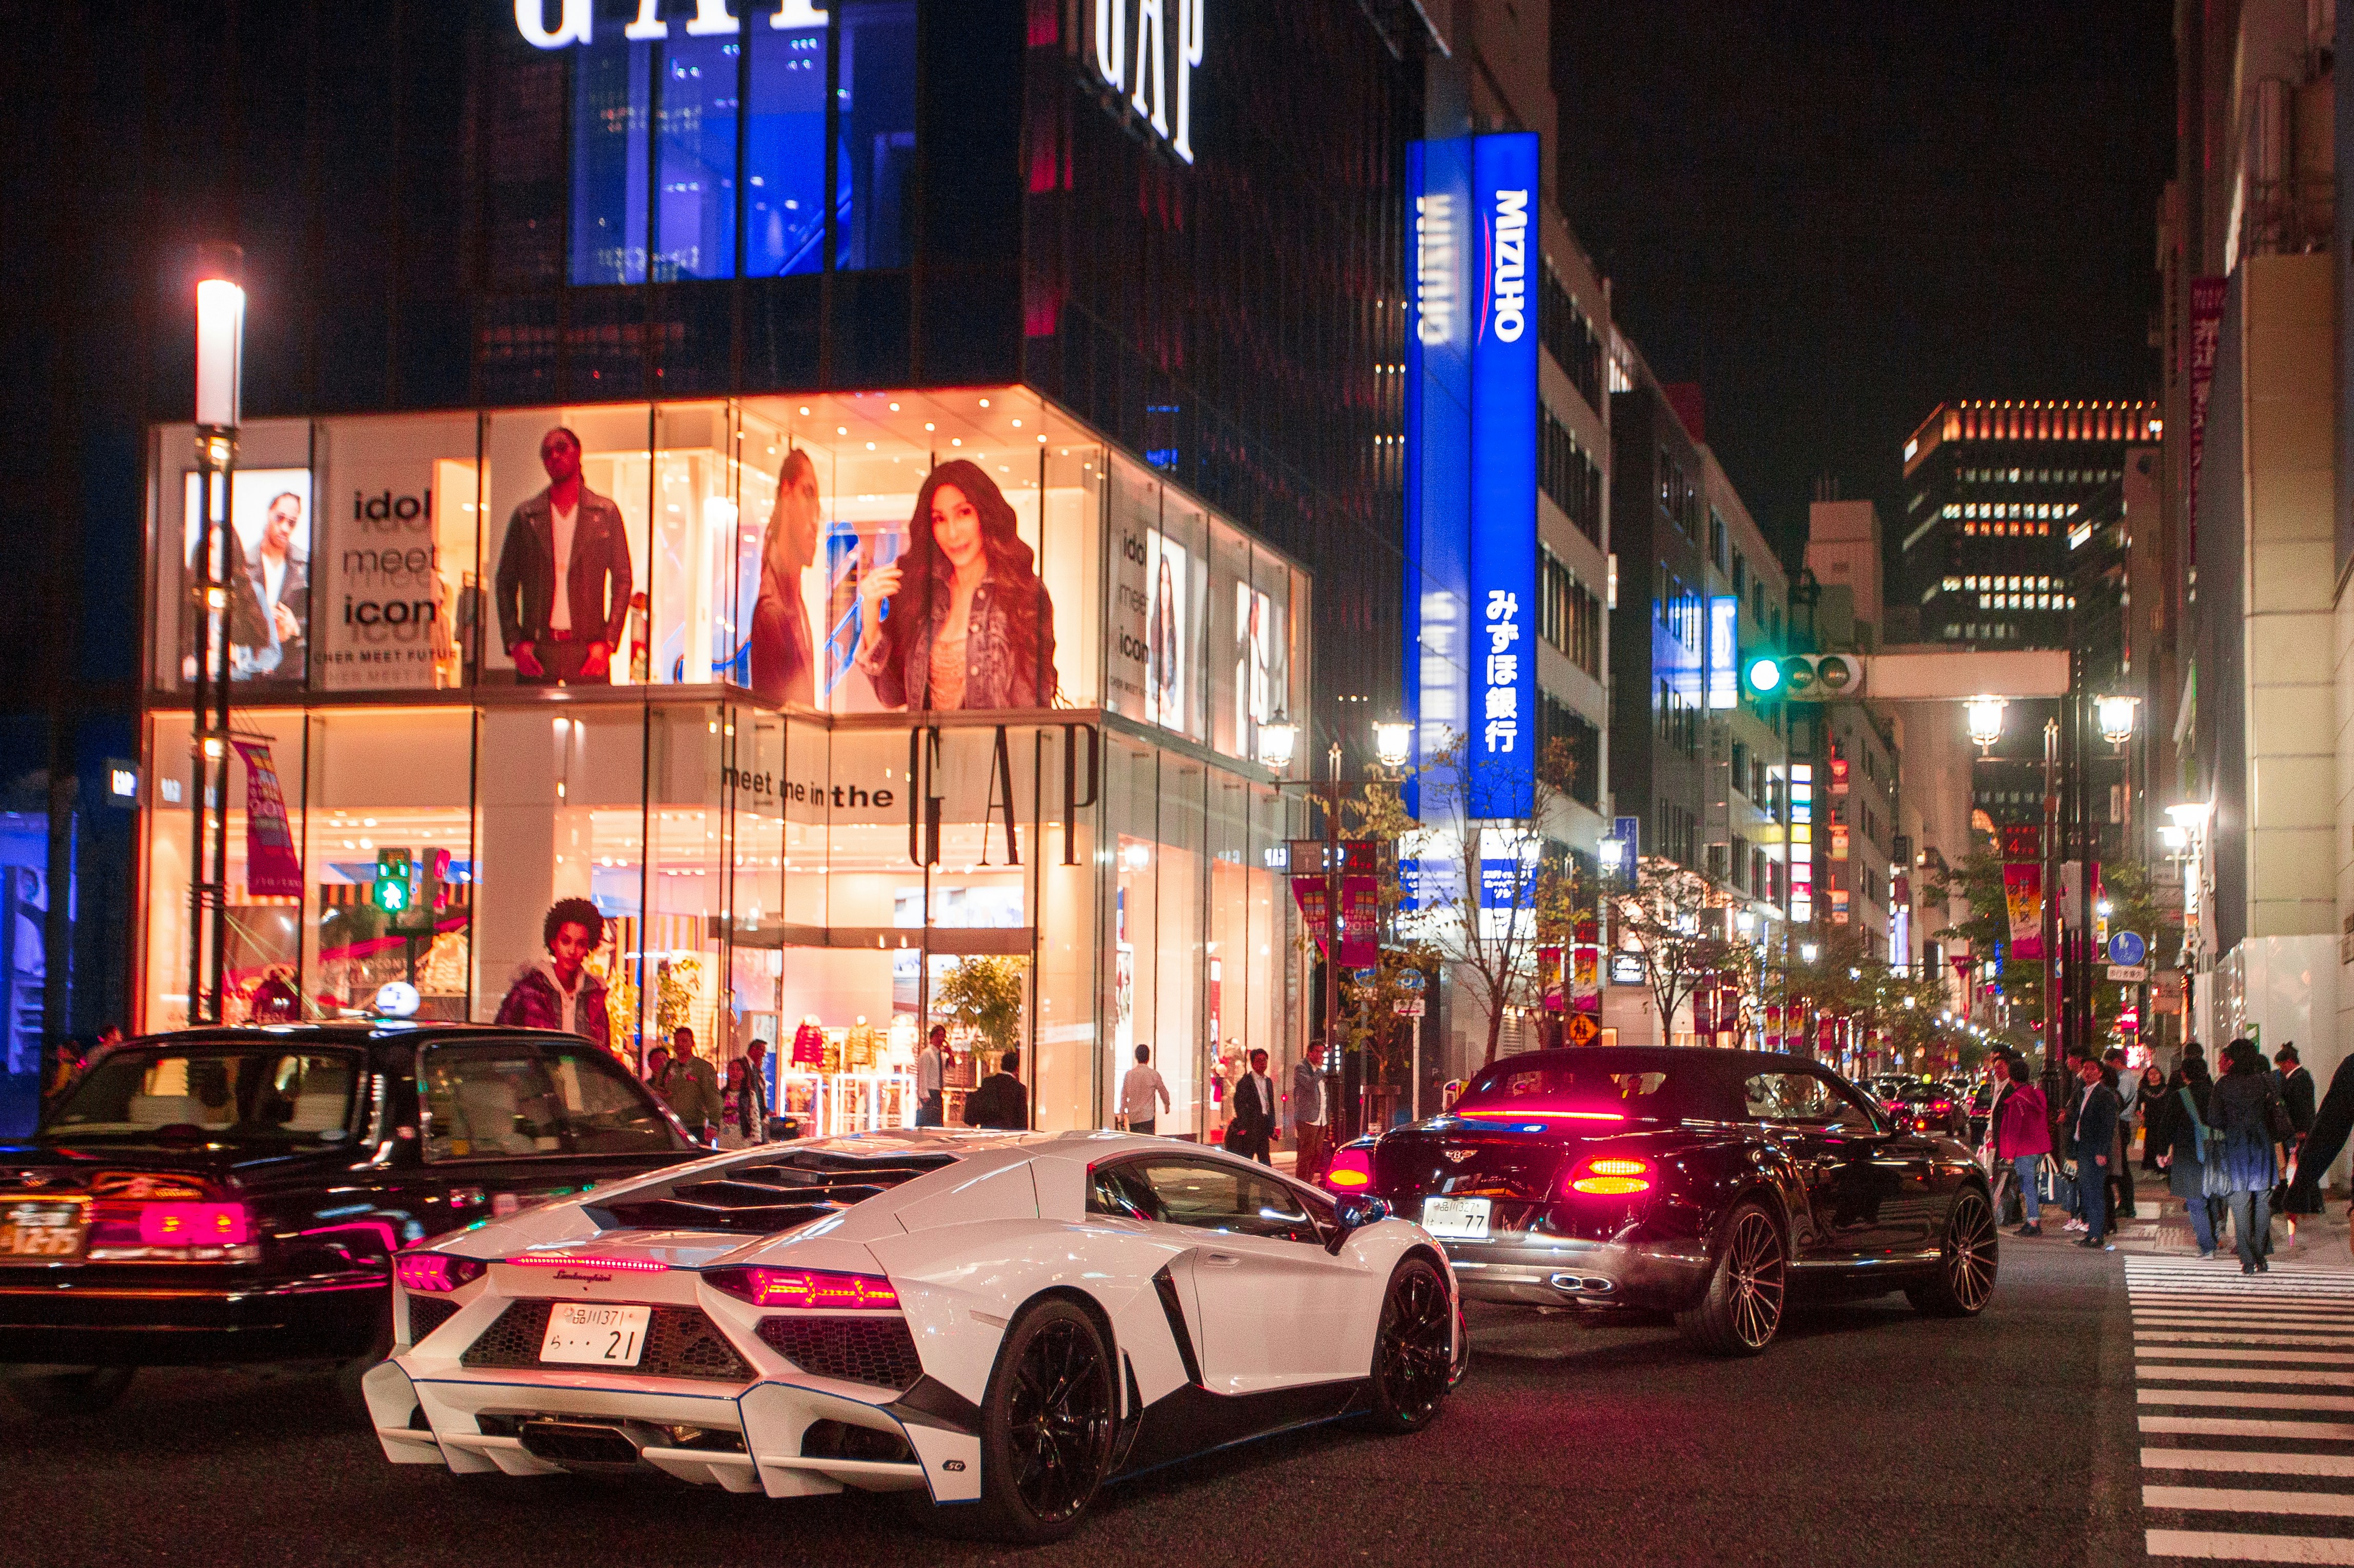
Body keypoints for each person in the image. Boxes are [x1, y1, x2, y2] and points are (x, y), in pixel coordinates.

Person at [855, 459, 1058, 710]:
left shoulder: (1022, 593)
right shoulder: (924, 595)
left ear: (984, 513)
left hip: (995, 748)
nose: (953, 533)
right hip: (928, 749)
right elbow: (892, 695)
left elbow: (1033, 707)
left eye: (964, 513)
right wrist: (871, 614)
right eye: (939, 519)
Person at [494, 426, 633, 687]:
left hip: (587, 648)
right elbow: (505, 582)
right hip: (537, 649)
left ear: (578, 451)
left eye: (561, 448)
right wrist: (516, 642)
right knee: (533, 726)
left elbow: (623, 579)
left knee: (592, 725)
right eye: (547, 453)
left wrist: (608, 640)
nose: (555, 457)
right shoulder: (527, 516)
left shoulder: (604, 513)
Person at [2211, 1038, 2290, 1273]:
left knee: (2240, 1202)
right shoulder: (2265, 1081)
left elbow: (2214, 1119)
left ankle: (2247, 1259)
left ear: (2233, 1058)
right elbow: (2278, 1112)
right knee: (2264, 1202)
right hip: (2262, 1146)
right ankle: (2261, 1256)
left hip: (2235, 1147)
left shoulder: (2223, 1085)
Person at [494, 897, 612, 1053]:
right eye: (566, 941)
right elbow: (501, 1044)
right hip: (539, 1077)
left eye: (581, 944)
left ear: (589, 947)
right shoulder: (528, 991)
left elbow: (602, 1051)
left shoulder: (593, 995)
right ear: (553, 942)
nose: (572, 951)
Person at [750, 447, 820, 707]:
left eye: (817, 504)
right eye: (807, 494)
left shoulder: (793, 603)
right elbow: (776, 721)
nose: (815, 520)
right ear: (786, 493)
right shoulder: (772, 609)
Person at [2152, 1054, 2222, 1258]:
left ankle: (2207, 1245)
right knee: (2214, 1196)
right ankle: (2215, 1235)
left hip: (2189, 1154)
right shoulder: (2216, 1093)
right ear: (2206, 1073)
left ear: (2183, 1075)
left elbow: (2167, 1126)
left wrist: (2162, 1151)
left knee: (2195, 1200)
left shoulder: (2180, 1096)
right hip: (2216, 1152)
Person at [246, 490, 309, 681]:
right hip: (251, 672)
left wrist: (294, 628)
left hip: (292, 673)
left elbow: (321, 620)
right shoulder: (244, 564)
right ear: (268, 514)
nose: (285, 528)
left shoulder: (306, 566)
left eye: (292, 523)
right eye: (279, 518)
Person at [1987, 1050, 2051, 1237]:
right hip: (2038, 1147)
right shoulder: (2037, 1095)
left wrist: (2008, 1155)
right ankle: (2033, 1217)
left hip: (2023, 1149)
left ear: (2012, 1077)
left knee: (2027, 1186)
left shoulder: (2016, 1101)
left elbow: (2013, 1130)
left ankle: (2033, 1221)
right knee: (2031, 1186)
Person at [2069, 1052, 2122, 1250]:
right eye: (2085, 1069)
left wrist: (2102, 1151)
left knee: (2095, 1192)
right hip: (2083, 1147)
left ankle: (2097, 1235)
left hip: (2094, 1150)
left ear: (2100, 1073)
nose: (2088, 1072)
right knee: (2088, 1193)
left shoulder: (2105, 1095)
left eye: (2092, 1069)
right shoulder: (2085, 1092)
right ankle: (2092, 1233)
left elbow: (2108, 1126)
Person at [2274, 1045, 2319, 1214]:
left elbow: (2302, 1108)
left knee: (2303, 1167)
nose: (2281, 1070)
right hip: (2298, 1129)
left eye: (2282, 1065)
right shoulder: (2299, 1077)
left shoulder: (2299, 1079)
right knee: (2302, 1166)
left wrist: (2302, 1129)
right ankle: (2310, 1203)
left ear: (2290, 1062)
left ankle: (2310, 1203)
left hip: (2301, 1130)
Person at [1227, 1048, 1277, 1165]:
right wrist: (1243, 1125)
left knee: (1265, 1161)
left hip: (1264, 1126)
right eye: (1259, 1061)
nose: (1262, 1064)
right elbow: (1239, 1104)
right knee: (1247, 1160)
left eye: (1264, 1060)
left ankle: (1266, 1183)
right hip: (1251, 1126)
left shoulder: (1268, 1082)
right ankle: (1243, 1183)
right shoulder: (1245, 1082)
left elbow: (1270, 1105)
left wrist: (1272, 1127)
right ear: (1253, 1063)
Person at [961, 1048, 1029, 1130]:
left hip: (987, 1128)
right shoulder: (1019, 1088)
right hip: (1007, 1131)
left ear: (1002, 1065)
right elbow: (1022, 1116)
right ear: (1017, 1068)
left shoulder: (988, 1082)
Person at [1292, 1053, 1329, 1182]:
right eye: (1318, 1052)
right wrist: (1320, 1071)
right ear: (1310, 1053)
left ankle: (1308, 1182)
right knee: (1306, 1153)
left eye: (1322, 1052)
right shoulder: (1301, 1068)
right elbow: (1309, 1085)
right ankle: (1301, 1184)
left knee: (1317, 1153)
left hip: (1321, 1118)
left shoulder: (1319, 1072)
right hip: (1308, 1118)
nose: (1321, 1056)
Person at [1121, 1043, 1170, 1135]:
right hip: (1147, 1117)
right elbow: (1163, 1092)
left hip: (1133, 1118)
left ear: (1136, 1057)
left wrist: (1122, 1115)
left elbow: (1124, 1097)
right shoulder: (1153, 1074)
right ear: (1148, 1057)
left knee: (1136, 1143)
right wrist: (1167, 1105)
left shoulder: (1129, 1075)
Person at [715, 1058, 762, 1150]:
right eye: (732, 1069)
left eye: (739, 1070)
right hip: (723, 1141)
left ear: (744, 1074)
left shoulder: (749, 1095)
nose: (735, 1072)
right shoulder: (721, 1094)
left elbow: (755, 1118)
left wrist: (756, 1140)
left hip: (743, 1142)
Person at [2135, 1064, 2170, 1173]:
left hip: (2163, 1120)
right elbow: (2137, 1106)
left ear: (2160, 1075)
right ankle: (2150, 1166)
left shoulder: (2166, 1089)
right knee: (2150, 1143)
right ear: (2147, 1076)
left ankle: (2162, 1167)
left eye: (2156, 1073)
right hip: (2149, 1120)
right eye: (2151, 1074)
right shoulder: (2143, 1090)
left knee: (2162, 1142)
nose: (2154, 1076)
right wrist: (2140, 1115)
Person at [914, 1025, 948, 1127]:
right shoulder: (927, 1054)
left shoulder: (941, 1055)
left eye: (943, 1036)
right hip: (929, 1092)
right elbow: (923, 1075)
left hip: (937, 1092)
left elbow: (946, 1070)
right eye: (938, 1036)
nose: (941, 1039)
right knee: (928, 1122)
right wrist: (924, 1094)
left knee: (937, 1122)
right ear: (932, 1037)